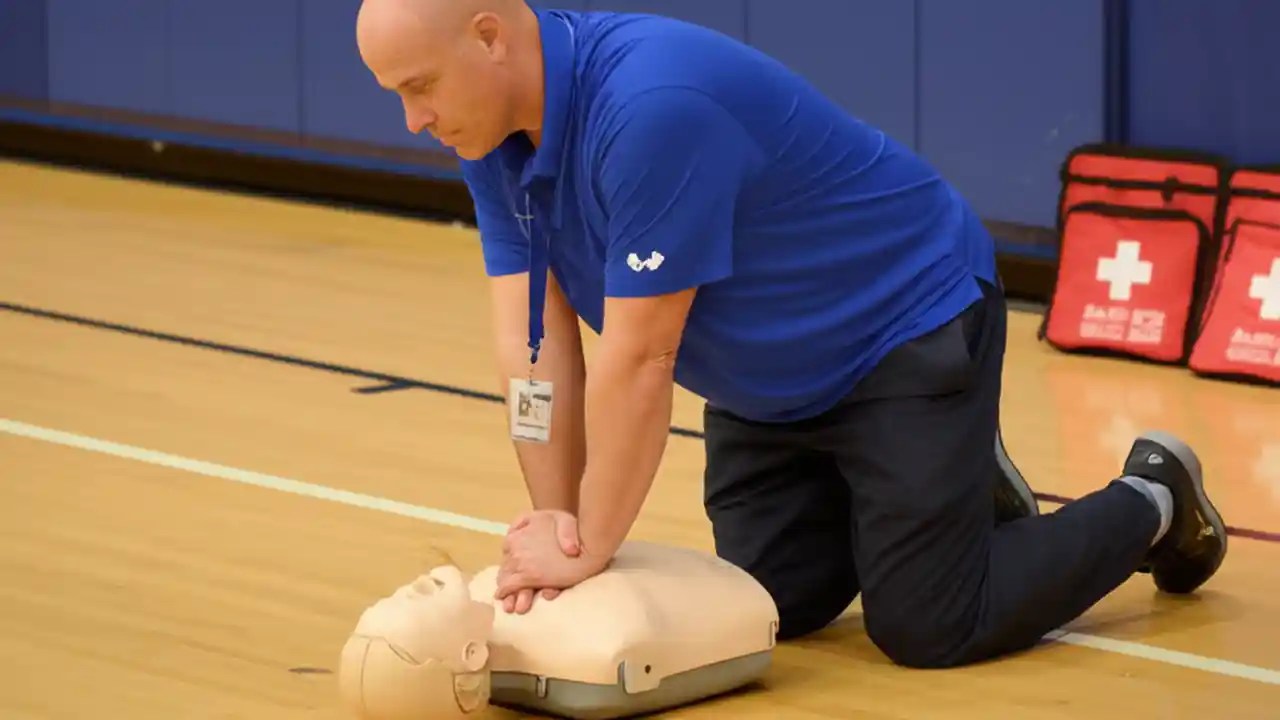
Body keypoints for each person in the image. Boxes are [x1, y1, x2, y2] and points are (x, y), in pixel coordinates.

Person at [354, 0, 1229, 669]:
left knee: (929, 624)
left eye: (418, 87)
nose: (412, 121)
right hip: (767, 382)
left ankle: (1152, 499)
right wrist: (554, 514)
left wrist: (588, 544)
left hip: (904, 324)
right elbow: (535, 348)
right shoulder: (492, 137)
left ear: (488, 37)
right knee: (772, 604)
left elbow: (640, 359)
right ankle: (958, 490)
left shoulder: (651, 106)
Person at [339, 535, 778, 719]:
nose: (416, 584)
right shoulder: (593, 650)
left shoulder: (494, 585)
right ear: (472, 656)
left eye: (390, 597)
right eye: (420, 599)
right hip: (735, 596)